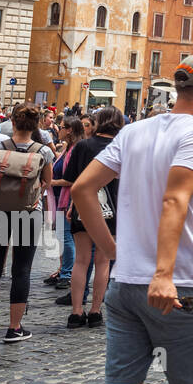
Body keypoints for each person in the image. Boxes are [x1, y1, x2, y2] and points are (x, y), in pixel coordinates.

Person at [72, 54, 193, 384]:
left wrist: (113, 251)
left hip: (126, 284)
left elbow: (82, 189)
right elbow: (174, 200)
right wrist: (163, 274)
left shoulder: (133, 130)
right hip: (180, 286)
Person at [0, 103, 54, 343]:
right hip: (28, 212)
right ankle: (14, 327)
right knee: (22, 269)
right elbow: (47, 181)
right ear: (36, 124)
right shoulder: (43, 151)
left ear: (13, 122)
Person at [63, 106, 125, 328]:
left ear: (99, 122)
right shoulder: (122, 147)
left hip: (84, 204)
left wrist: (72, 204)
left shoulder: (84, 145)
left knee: (81, 260)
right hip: (114, 208)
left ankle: (76, 312)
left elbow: (73, 180)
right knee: (103, 261)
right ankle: (96, 311)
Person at [45, 115, 85, 290]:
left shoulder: (76, 149)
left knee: (66, 237)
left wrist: (51, 182)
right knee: (62, 236)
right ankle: (63, 270)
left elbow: (72, 179)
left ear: (69, 130)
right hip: (60, 197)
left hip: (68, 198)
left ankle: (67, 273)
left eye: (60, 127)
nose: (57, 129)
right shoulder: (68, 148)